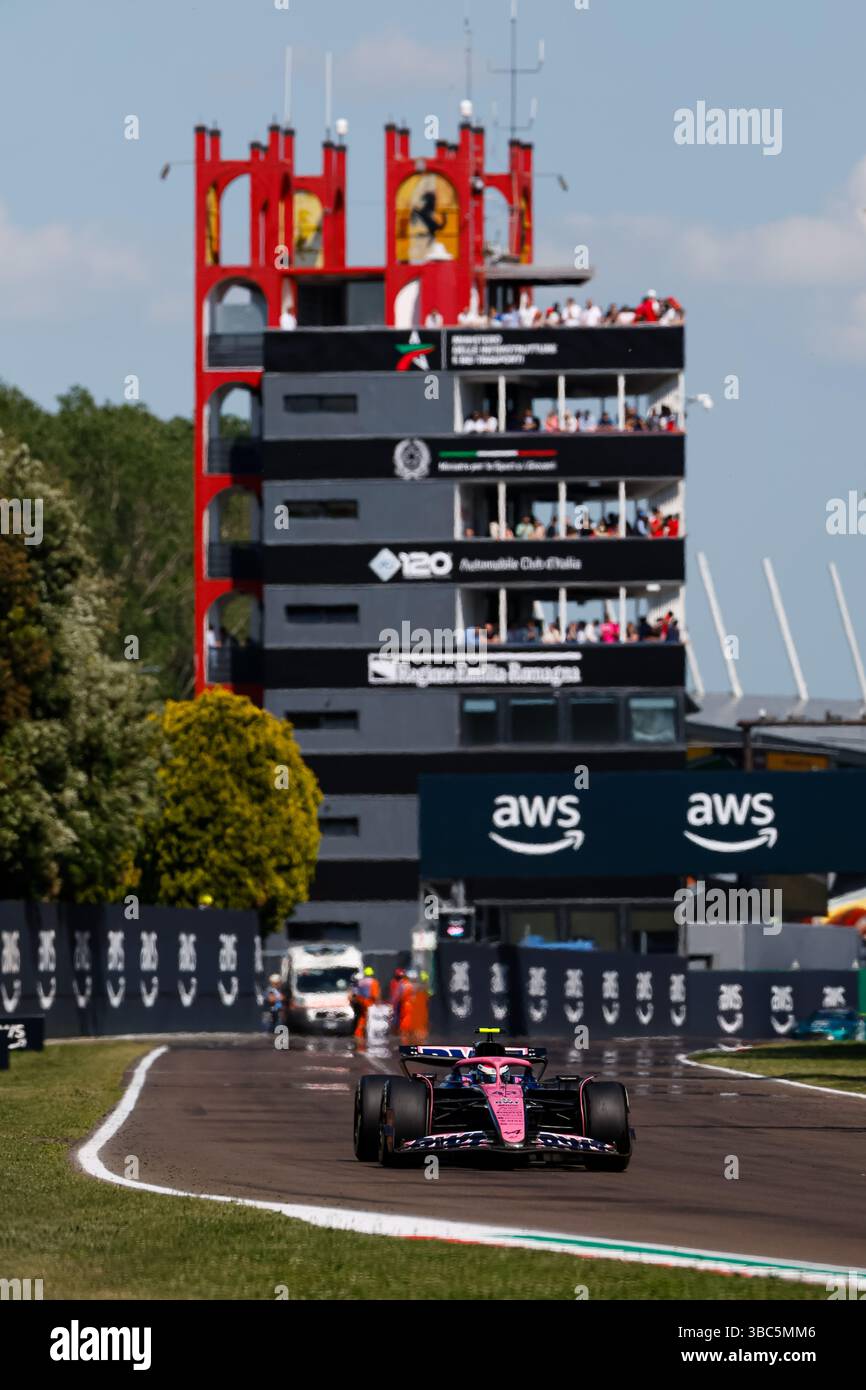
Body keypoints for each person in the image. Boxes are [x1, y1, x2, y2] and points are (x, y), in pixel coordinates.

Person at [352, 966, 381, 1040]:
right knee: (370, 1019)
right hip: (369, 1002)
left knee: (362, 1017)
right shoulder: (373, 982)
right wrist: (378, 1004)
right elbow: (375, 995)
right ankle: (370, 1035)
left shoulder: (360, 982)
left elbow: (355, 993)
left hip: (360, 1002)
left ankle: (358, 1033)